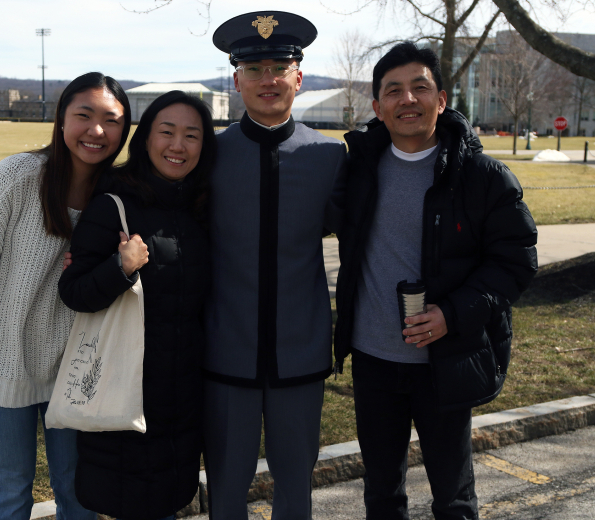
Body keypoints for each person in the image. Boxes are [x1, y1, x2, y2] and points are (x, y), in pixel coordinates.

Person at [333, 42, 538, 519]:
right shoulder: (357, 169)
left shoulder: (482, 176)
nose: (408, 99)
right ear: (377, 106)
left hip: (445, 359)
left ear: (441, 100)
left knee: (454, 496)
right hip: (373, 361)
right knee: (382, 494)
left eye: (419, 88)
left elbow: (516, 261)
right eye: (394, 90)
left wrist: (452, 313)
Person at [0, 72, 131, 520]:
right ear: (61, 120)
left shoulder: (121, 194)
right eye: (83, 115)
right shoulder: (18, 176)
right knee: (11, 488)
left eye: (112, 120)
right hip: (3, 359)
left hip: (78, 367)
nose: (97, 131)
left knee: (77, 488)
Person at [203, 11, 346, 519]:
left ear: (298, 77)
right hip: (225, 353)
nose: (268, 80)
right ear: (236, 78)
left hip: (300, 356)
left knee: (295, 492)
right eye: (255, 69)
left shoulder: (330, 159)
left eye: (279, 67)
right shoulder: (209, 156)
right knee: (225, 492)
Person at [58, 90, 217, 520]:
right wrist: (121, 267)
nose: (178, 146)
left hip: (182, 396)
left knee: (167, 502)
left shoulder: (201, 207)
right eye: (166, 132)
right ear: (145, 139)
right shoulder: (114, 204)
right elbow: (74, 291)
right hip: (125, 389)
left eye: (192, 135)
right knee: (129, 503)